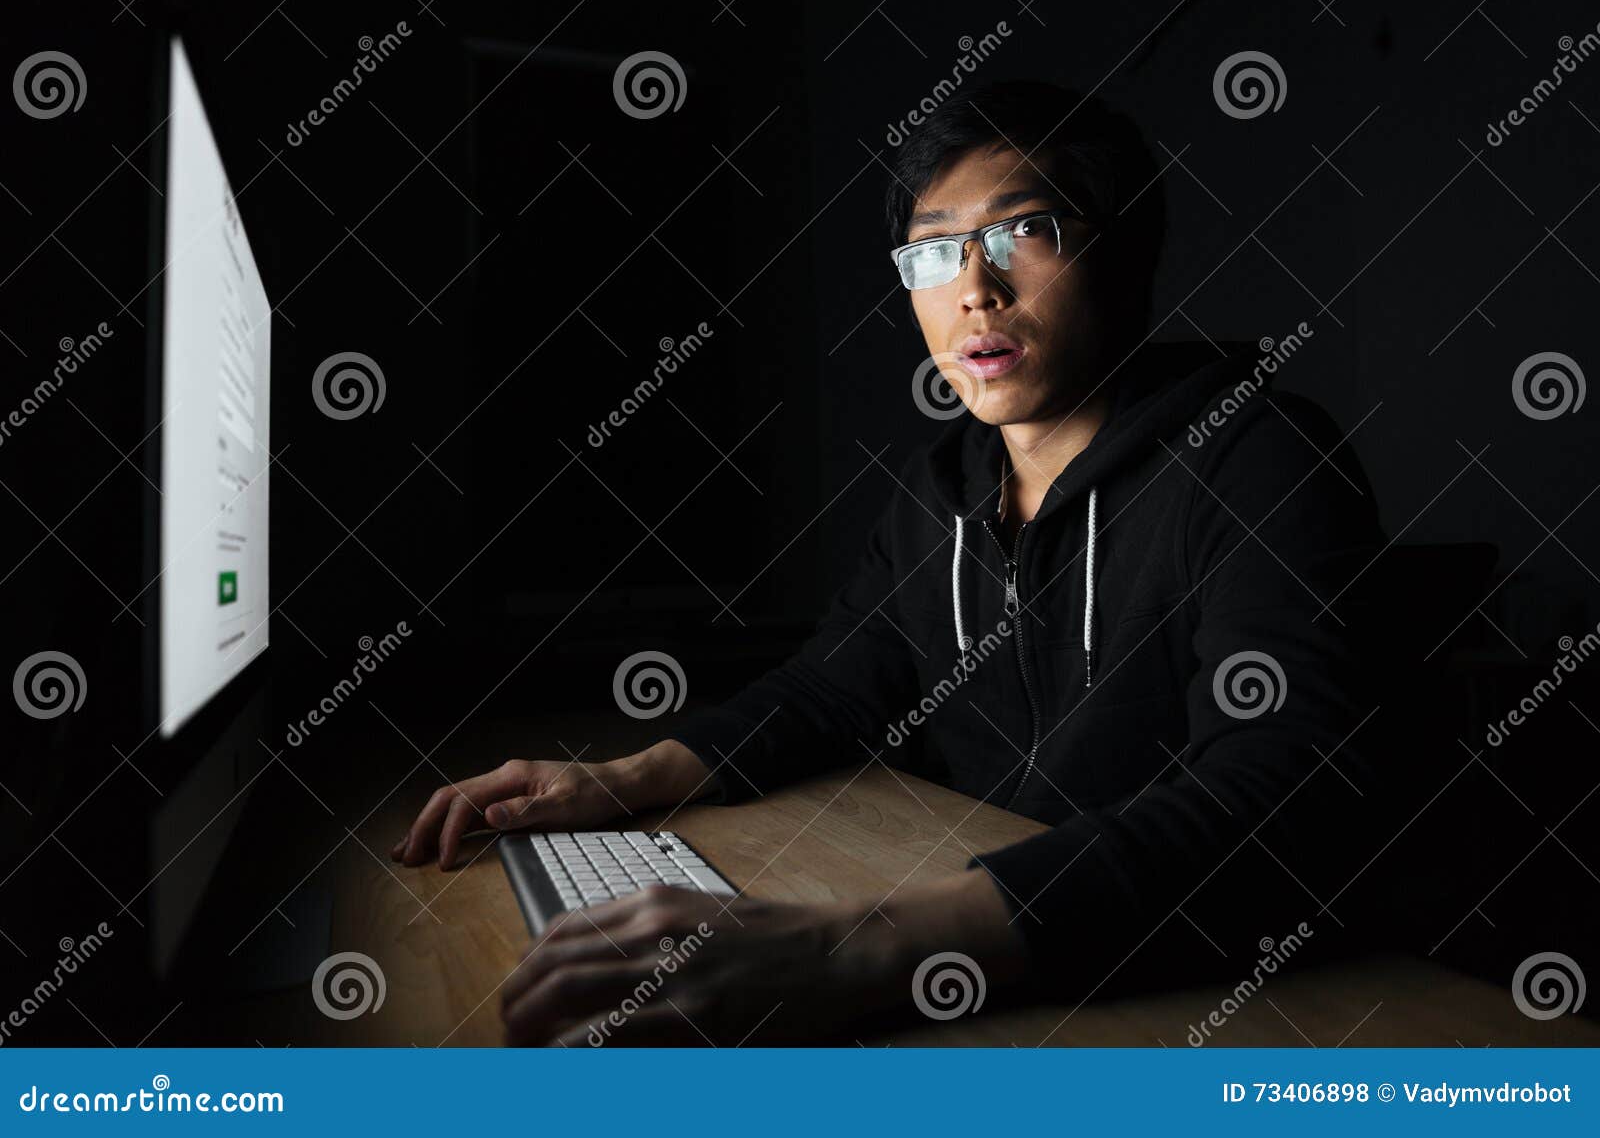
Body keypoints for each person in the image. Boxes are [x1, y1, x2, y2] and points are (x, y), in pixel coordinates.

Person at [392, 79, 1392, 1046]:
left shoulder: (1256, 453)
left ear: (1124, 250)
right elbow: (836, 682)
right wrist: (629, 776)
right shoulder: (939, 490)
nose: (975, 289)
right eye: (932, 256)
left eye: (1021, 231)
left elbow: (1289, 791)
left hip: (1206, 1000)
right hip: (1008, 978)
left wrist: (856, 948)